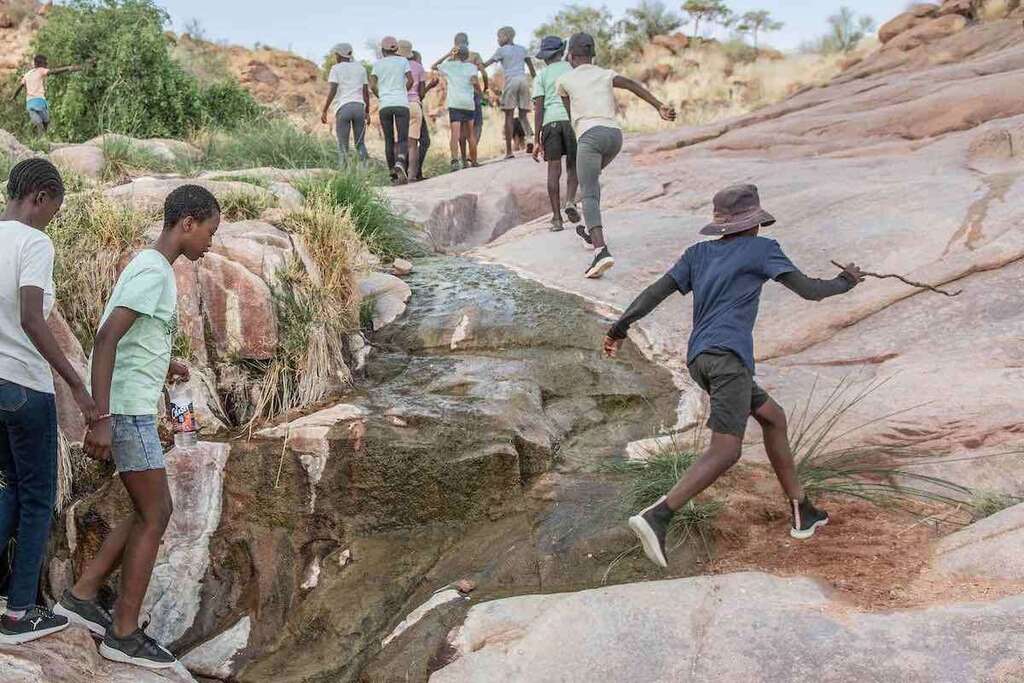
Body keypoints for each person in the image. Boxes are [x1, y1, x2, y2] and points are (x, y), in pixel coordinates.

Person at [603, 184, 865, 569]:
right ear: (755, 221)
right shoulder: (763, 249)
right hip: (729, 359)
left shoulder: (697, 254)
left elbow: (655, 292)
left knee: (773, 418)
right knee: (727, 450)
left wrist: (619, 328)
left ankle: (802, 509)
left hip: (702, 359)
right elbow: (810, 291)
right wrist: (847, 281)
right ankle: (657, 516)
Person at [53, 185, 220, 669]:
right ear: (186, 223)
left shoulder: (153, 268)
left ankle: (83, 597)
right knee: (157, 510)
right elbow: (106, 338)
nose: (210, 243)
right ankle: (122, 633)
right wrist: (100, 417)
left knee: (149, 508)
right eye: (209, 232)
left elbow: (130, 338)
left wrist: (166, 364)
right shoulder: (152, 270)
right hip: (125, 413)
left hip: (132, 407)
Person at [0, 159, 97, 645]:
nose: (50, 221)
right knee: (38, 500)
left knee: (10, 488)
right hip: (23, 386)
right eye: (52, 211)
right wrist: (77, 384)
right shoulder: (34, 241)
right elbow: (33, 317)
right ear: (39, 197)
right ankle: (19, 613)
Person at [557, 32, 676, 279]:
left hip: (589, 137)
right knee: (592, 184)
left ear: (570, 55)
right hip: (614, 136)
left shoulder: (564, 80)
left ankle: (601, 251)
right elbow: (631, 84)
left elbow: (571, 117)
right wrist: (659, 107)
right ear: (592, 55)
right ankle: (592, 233)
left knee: (588, 192)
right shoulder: (605, 73)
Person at [531, 36, 579, 232]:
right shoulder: (570, 69)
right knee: (573, 166)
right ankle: (570, 201)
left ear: (544, 57)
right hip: (571, 121)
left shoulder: (540, 76)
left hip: (550, 124)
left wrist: (536, 139)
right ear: (562, 52)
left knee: (553, 170)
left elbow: (538, 108)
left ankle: (557, 219)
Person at [483, 27, 535, 159]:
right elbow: (532, 70)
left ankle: (509, 152)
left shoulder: (501, 50)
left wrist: (477, 65)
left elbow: (487, 64)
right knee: (523, 115)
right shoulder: (522, 49)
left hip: (511, 82)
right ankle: (529, 139)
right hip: (523, 81)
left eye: (499, 37)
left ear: (506, 36)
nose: (498, 39)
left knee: (509, 117)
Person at [371, 37, 414, 184]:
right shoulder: (403, 61)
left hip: (385, 105)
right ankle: (400, 161)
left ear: (382, 51)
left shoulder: (377, 64)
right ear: (396, 49)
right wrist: (403, 92)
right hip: (401, 103)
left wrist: (381, 95)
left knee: (389, 140)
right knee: (402, 137)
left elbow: (372, 84)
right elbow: (411, 80)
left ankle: (393, 176)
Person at [320, 43, 370, 166]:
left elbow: (333, 90)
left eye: (336, 54)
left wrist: (325, 110)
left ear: (339, 55)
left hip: (343, 108)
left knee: (343, 146)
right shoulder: (361, 68)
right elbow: (365, 93)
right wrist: (367, 112)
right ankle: (365, 173)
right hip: (359, 107)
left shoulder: (336, 68)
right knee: (360, 144)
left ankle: (344, 174)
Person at [433, 45, 481, 171]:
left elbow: (434, 66)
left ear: (455, 54)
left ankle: (455, 161)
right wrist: (480, 93)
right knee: (470, 134)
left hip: (455, 104)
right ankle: (474, 161)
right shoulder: (472, 67)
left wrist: (448, 55)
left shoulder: (450, 66)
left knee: (455, 134)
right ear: (467, 55)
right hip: (468, 103)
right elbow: (475, 82)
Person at [10, 55, 85, 136]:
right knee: (45, 121)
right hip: (39, 101)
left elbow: (20, 87)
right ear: (40, 64)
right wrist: (68, 68)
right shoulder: (41, 70)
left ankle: (40, 138)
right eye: (45, 63)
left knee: (38, 122)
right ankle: (43, 138)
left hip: (30, 103)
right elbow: (54, 71)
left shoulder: (27, 74)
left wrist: (13, 97)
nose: (47, 65)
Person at [453, 33, 489, 149]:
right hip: (473, 93)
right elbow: (484, 73)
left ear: (455, 44)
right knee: (477, 123)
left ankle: (463, 158)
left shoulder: (453, 58)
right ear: (467, 43)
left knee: (462, 126)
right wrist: (485, 88)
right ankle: (472, 153)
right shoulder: (474, 55)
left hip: (458, 95)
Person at [399, 40, 428, 182]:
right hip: (415, 105)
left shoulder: (395, 66)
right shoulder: (419, 67)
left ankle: (399, 177)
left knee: (399, 142)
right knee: (413, 144)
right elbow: (421, 93)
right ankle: (412, 176)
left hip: (399, 104)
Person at [412, 50, 436, 181]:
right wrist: (430, 86)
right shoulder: (417, 70)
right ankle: (416, 172)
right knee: (424, 141)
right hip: (415, 108)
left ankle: (412, 172)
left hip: (401, 107)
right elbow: (419, 95)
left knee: (408, 142)